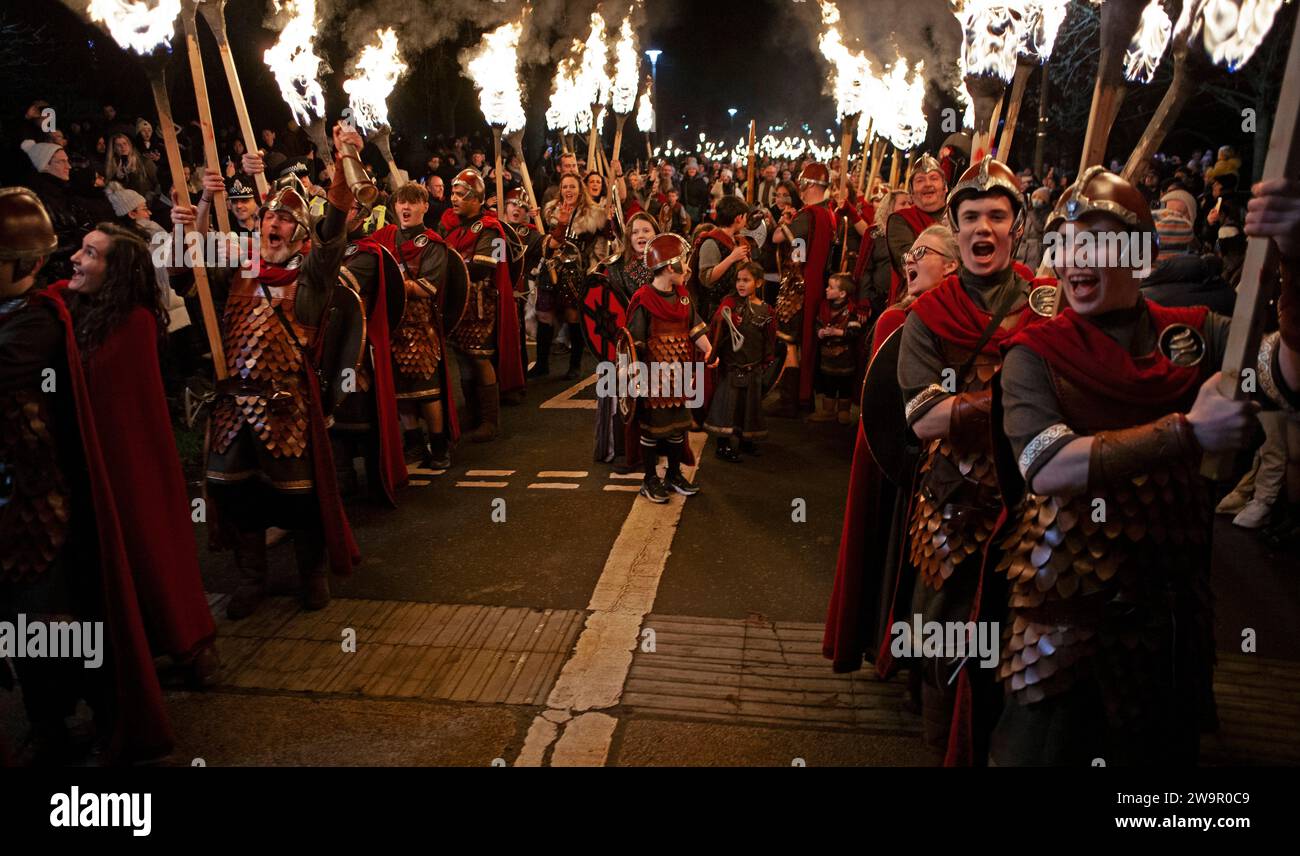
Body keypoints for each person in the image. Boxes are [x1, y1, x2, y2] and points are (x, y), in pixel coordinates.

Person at [990, 167, 1300, 765]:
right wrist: (1186, 432)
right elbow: (1045, 463)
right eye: (1069, 241)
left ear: (1141, 257)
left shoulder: (1199, 337)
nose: (1078, 255)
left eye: (1099, 240)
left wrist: (1294, 262)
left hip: (1168, 613)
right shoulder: (1035, 351)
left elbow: (1288, 375)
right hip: (1062, 619)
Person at [0, 187, 172, 763]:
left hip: (45, 509)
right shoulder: (47, 309)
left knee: (54, 626)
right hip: (12, 506)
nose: (77, 259)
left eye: (92, 254)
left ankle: (95, 716)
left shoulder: (41, 325)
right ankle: (49, 723)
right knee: (26, 630)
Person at [895, 156, 1055, 765]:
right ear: (954, 227)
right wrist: (1013, 400)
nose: (982, 228)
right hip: (954, 504)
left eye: (996, 214)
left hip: (1032, 502)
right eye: (970, 217)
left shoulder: (1047, 302)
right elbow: (924, 417)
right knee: (946, 640)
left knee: (1023, 650)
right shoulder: (930, 315)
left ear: (1015, 226)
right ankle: (944, 752)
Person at [203, 121, 363, 620]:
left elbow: (334, 230)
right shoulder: (240, 268)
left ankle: (311, 575)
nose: (273, 226)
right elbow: (190, 265)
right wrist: (204, 206)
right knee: (238, 493)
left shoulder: (312, 276)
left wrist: (340, 161)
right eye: (268, 219)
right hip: (234, 405)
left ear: (300, 236)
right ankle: (253, 578)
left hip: (286, 406)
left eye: (285, 223)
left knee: (298, 496)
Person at [57, 223, 219, 683]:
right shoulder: (77, 309)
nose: (75, 258)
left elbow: (117, 407)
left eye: (90, 253)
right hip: (94, 470)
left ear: (117, 272)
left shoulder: (134, 323)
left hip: (132, 471)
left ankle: (182, 641)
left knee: (150, 552)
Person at [367, 182, 458, 474]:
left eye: (412, 203)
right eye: (401, 203)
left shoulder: (432, 243)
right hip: (389, 324)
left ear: (425, 207)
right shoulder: (385, 237)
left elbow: (427, 287)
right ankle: (414, 442)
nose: (406, 208)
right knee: (400, 393)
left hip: (419, 327)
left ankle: (439, 446)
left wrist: (392, 284)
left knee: (427, 391)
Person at [625, 233, 714, 502]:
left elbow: (694, 328)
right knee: (653, 430)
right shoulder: (643, 299)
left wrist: (708, 349)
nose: (687, 269)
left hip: (679, 376)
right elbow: (634, 345)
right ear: (669, 267)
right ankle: (649, 479)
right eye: (684, 264)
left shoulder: (684, 299)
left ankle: (673, 475)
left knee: (678, 428)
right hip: (654, 379)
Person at [441, 168, 526, 441]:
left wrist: (452, 266)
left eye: (461, 195)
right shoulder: (452, 228)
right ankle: (472, 413)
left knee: (480, 359)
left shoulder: (492, 229)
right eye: (453, 194)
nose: (454, 199)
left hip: (481, 305)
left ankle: (490, 419)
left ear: (477, 199)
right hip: (458, 305)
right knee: (463, 360)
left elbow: (485, 267)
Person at [768, 162, 837, 415]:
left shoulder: (809, 215)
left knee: (790, 343)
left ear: (807, 185)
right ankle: (799, 397)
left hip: (799, 287)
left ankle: (790, 400)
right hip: (816, 283)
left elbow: (795, 249)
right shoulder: (828, 213)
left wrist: (784, 223)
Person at [536, 173, 609, 380]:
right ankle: (541, 364)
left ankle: (574, 365)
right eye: (565, 187)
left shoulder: (593, 214)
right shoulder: (551, 209)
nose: (568, 191)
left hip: (574, 270)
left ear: (580, 189)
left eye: (572, 187)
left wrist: (610, 222)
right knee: (544, 315)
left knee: (572, 317)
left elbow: (607, 238)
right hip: (550, 267)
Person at [704, 260, 775, 461]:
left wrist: (766, 361)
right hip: (732, 367)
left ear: (759, 283)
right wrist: (726, 319)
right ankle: (723, 445)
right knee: (727, 406)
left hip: (753, 367)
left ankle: (746, 440)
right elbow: (718, 321)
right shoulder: (730, 303)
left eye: (746, 280)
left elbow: (769, 339)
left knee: (749, 406)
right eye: (738, 280)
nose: (741, 284)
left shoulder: (767, 311)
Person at [886, 153, 948, 304]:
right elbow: (908, 260)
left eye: (934, 178)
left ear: (945, 187)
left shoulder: (958, 215)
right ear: (912, 193)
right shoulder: (900, 220)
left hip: (957, 298)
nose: (928, 184)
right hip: (915, 301)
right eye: (920, 180)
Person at [809, 272, 867, 424]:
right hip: (827, 356)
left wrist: (837, 332)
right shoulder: (823, 307)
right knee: (829, 384)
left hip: (845, 357)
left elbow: (855, 331)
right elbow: (818, 323)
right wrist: (820, 332)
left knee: (844, 385)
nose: (826, 289)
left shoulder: (852, 311)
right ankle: (828, 411)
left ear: (842, 293)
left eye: (830, 287)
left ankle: (844, 411)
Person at [689, 195, 751, 323]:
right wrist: (732, 258)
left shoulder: (737, 240)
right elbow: (706, 278)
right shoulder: (711, 242)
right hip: (715, 310)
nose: (746, 221)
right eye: (745, 217)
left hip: (734, 306)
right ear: (738, 218)